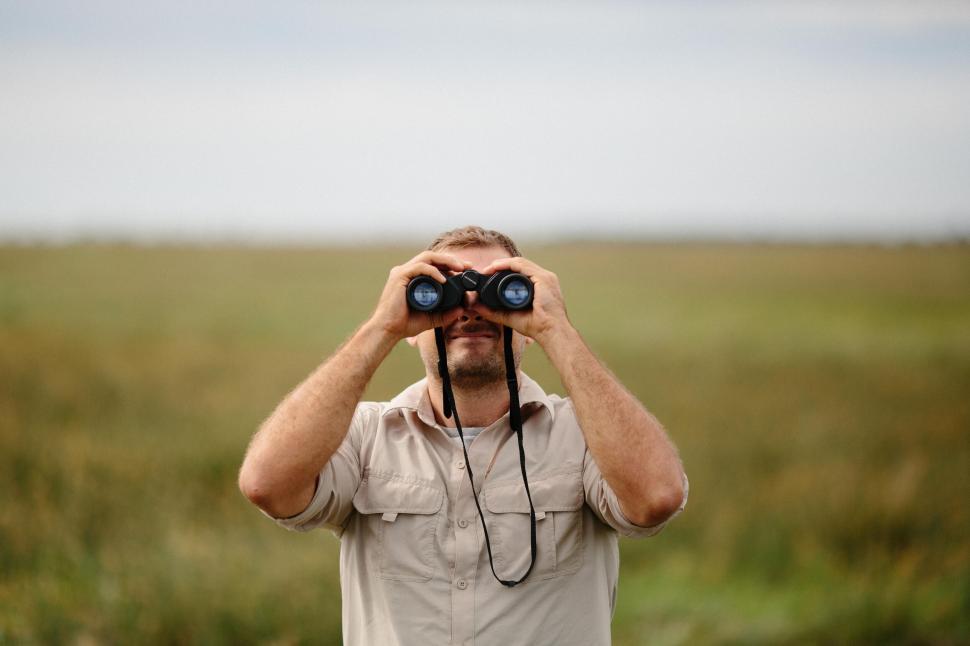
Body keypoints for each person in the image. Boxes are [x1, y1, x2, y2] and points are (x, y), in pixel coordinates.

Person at [238, 226, 688, 646]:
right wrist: (381, 328)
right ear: (413, 323)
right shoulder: (365, 437)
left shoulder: (585, 435)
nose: (471, 309)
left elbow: (656, 498)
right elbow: (267, 484)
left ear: (528, 320)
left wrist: (557, 329)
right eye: (445, 291)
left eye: (497, 290)